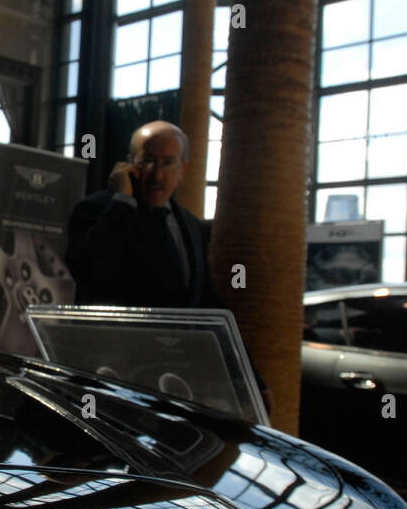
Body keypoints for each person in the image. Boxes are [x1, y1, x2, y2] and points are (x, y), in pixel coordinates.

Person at [65, 120, 273, 415]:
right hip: (113, 387)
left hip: (177, 391)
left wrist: (253, 380)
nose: (157, 174)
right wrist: (123, 201)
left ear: (183, 170)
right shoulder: (98, 210)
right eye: (148, 161)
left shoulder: (190, 225)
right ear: (129, 165)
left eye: (167, 163)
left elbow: (211, 307)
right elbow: (88, 270)